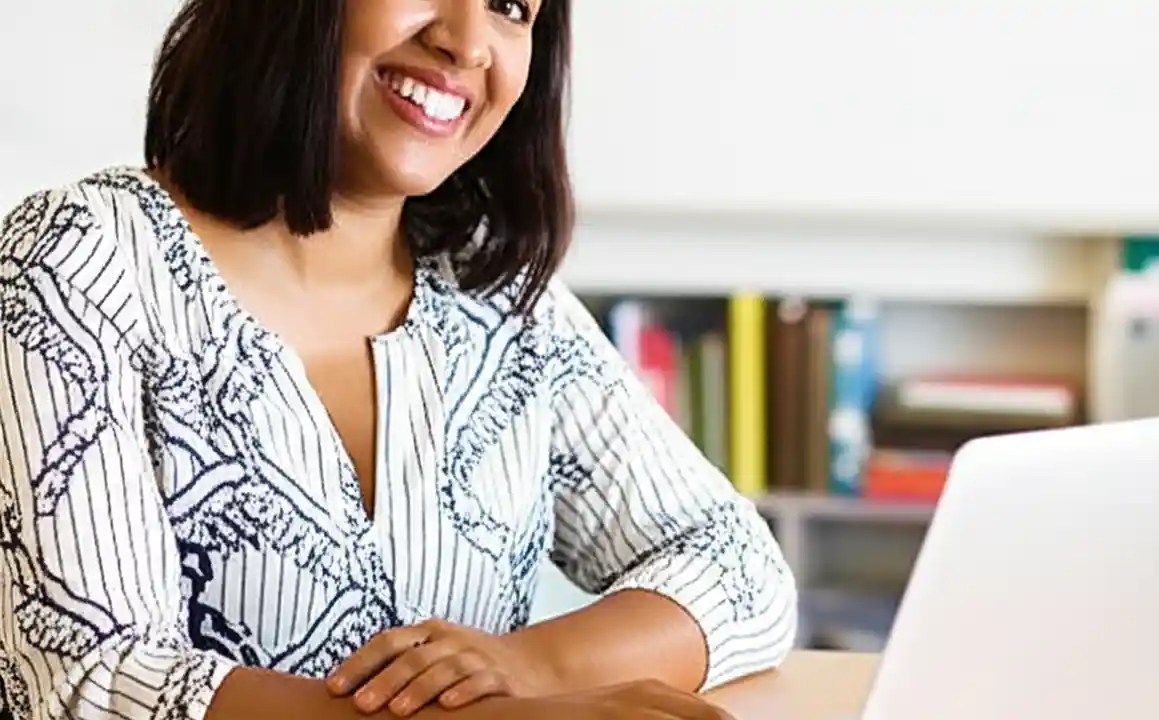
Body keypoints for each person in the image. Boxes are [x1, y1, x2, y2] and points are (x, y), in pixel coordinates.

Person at [0, 0, 797, 718]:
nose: (467, 42)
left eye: (512, 6)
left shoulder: (498, 295)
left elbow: (739, 567)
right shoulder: (78, 261)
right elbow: (89, 679)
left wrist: (528, 667)